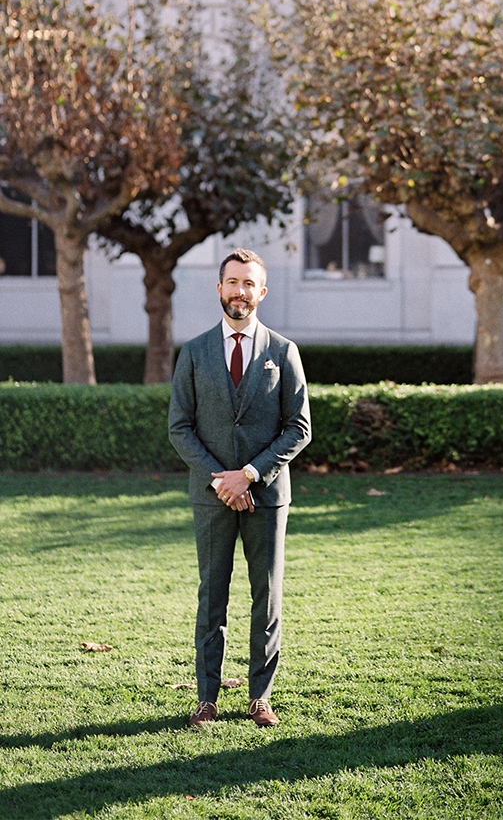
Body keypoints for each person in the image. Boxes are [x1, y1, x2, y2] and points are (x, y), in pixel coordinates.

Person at [169, 248, 311, 728]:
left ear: (262, 292)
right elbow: (179, 428)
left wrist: (249, 474)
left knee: (265, 597)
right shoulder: (193, 352)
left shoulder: (282, 351)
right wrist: (221, 479)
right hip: (210, 496)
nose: (239, 291)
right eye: (232, 282)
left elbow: (299, 427)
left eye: (249, 284)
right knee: (213, 595)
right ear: (219, 288)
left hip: (267, 496)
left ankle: (260, 697)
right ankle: (206, 697)